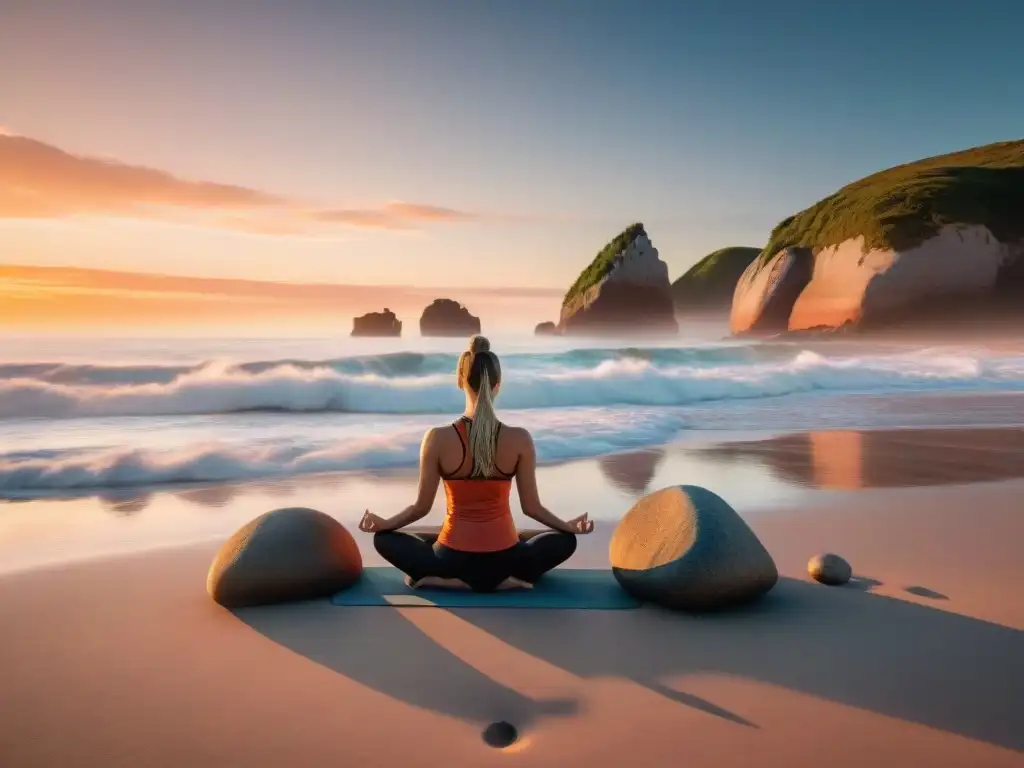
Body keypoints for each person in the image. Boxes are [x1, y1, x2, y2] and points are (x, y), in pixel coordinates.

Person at [358, 335, 594, 592]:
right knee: (564, 541)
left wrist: (384, 524)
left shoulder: (437, 438)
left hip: (450, 559)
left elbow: (420, 508)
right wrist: (567, 527)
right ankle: (503, 580)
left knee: (385, 540)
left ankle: (448, 579)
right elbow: (532, 508)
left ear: (460, 380)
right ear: (498, 384)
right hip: (508, 560)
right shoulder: (519, 439)